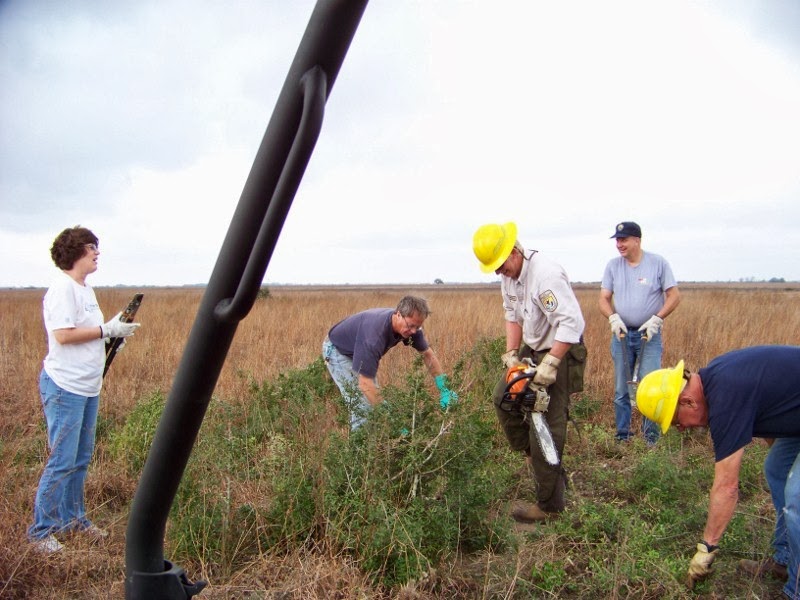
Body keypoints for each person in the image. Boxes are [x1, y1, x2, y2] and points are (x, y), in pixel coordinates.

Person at [635, 346, 800, 598]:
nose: (680, 429)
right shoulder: (715, 379)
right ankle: (786, 561)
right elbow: (769, 409)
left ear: (687, 401)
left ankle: (795, 589)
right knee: (777, 469)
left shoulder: (725, 398)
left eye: (677, 421)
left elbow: (727, 487)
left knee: (796, 497)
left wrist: (707, 547)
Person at [28, 226, 141, 553]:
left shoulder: (84, 289)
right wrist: (106, 329)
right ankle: (40, 533)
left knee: (80, 457)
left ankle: (73, 519)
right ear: (75, 251)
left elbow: (87, 332)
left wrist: (112, 337)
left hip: (89, 385)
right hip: (65, 386)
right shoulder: (62, 289)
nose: (97, 253)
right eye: (92, 247)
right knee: (62, 460)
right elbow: (63, 335)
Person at [472, 222, 587, 522]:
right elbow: (512, 315)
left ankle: (550, 507)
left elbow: (571, 324)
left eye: (500, 265)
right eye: (493, 269)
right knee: (503, 399)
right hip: (532, 349)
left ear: (514, 251)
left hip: (561, 349)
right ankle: (543, 464)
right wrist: (512, 354)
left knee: (546, 425)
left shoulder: (545, 276)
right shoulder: (509, 277)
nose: (499, 272)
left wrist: (552, 363)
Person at [598, 221, 680, 445]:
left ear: (637, 240)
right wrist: (612, 318)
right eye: (617, 240)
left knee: (650, 386)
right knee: (621, 388)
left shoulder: (658, 263)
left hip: (649, 336)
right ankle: (622, 436)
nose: (619, 244)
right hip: (622, 335)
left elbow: (674, 296)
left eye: (623, 240)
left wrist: (657, 318)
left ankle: (650, 439)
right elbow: (603, 298)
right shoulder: (613, 266)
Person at [322, 295, 456, 429]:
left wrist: (444, 389)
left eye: (418, 327)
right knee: (363, 408)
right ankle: (358, 449)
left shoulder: (411, 328)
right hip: (339, 351)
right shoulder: (373, 338)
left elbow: (428, 355)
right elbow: (365, 384)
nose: (413, 331)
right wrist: (393, 419)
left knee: (374, 402)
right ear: (398, 314)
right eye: (410, 326)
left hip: (359, 349)